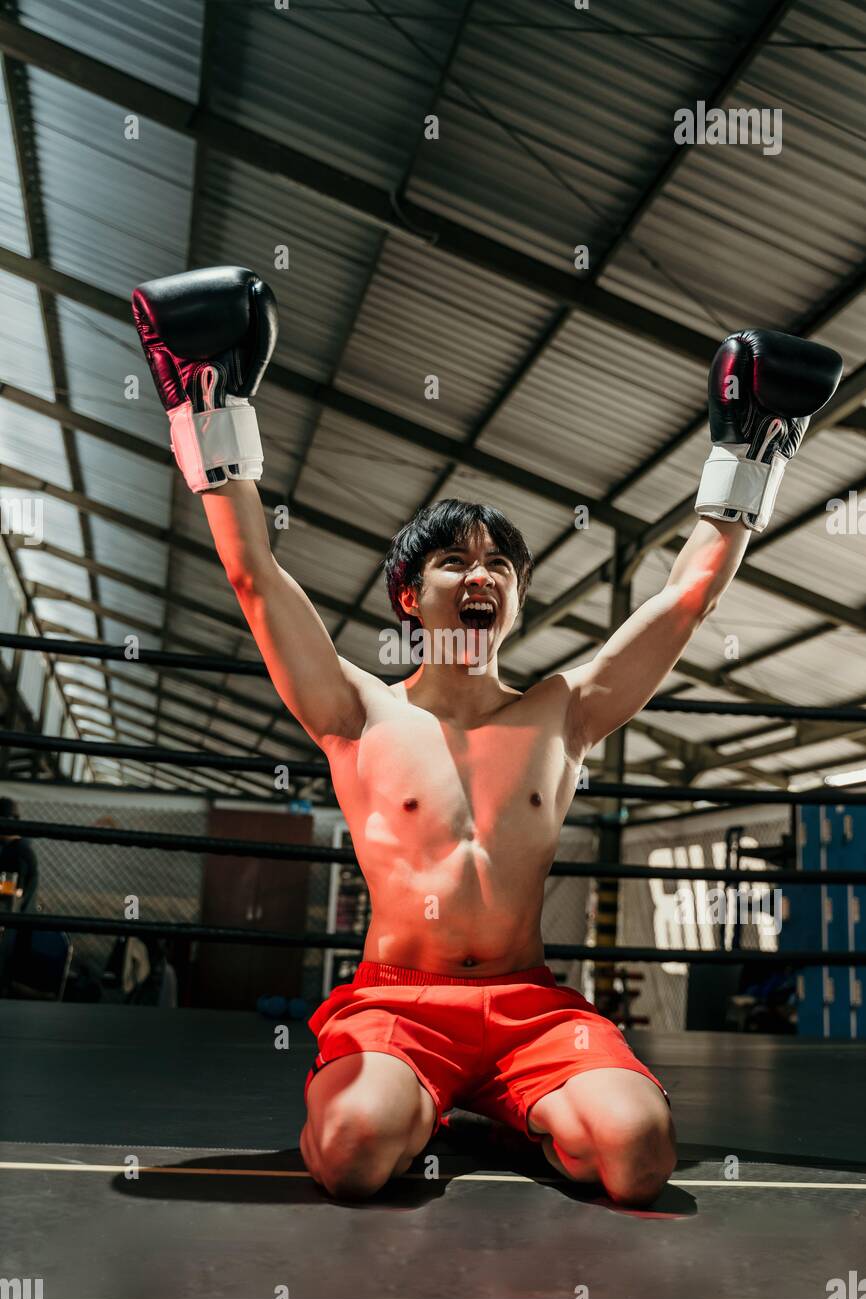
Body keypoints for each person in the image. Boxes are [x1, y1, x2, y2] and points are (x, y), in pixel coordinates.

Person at [133, 267, 842, 1205]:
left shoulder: (567, 710)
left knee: (640, 1158)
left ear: (515, 597)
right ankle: (419, 1099)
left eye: (501, 563)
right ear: (406, 596)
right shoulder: (354, 709)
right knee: (349, 1152)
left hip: (527, 1007)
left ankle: (514, 1101)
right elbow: (255, 576)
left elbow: (687, 594)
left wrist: (753, 449)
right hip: (398, 1002)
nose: (483, 574)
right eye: (454, 561)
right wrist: (208, 406)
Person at [0, 795, 40, 994]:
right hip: (17, 925)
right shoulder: (19, 849)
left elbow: (11, 893)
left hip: (12, 927)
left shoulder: (16, 852)